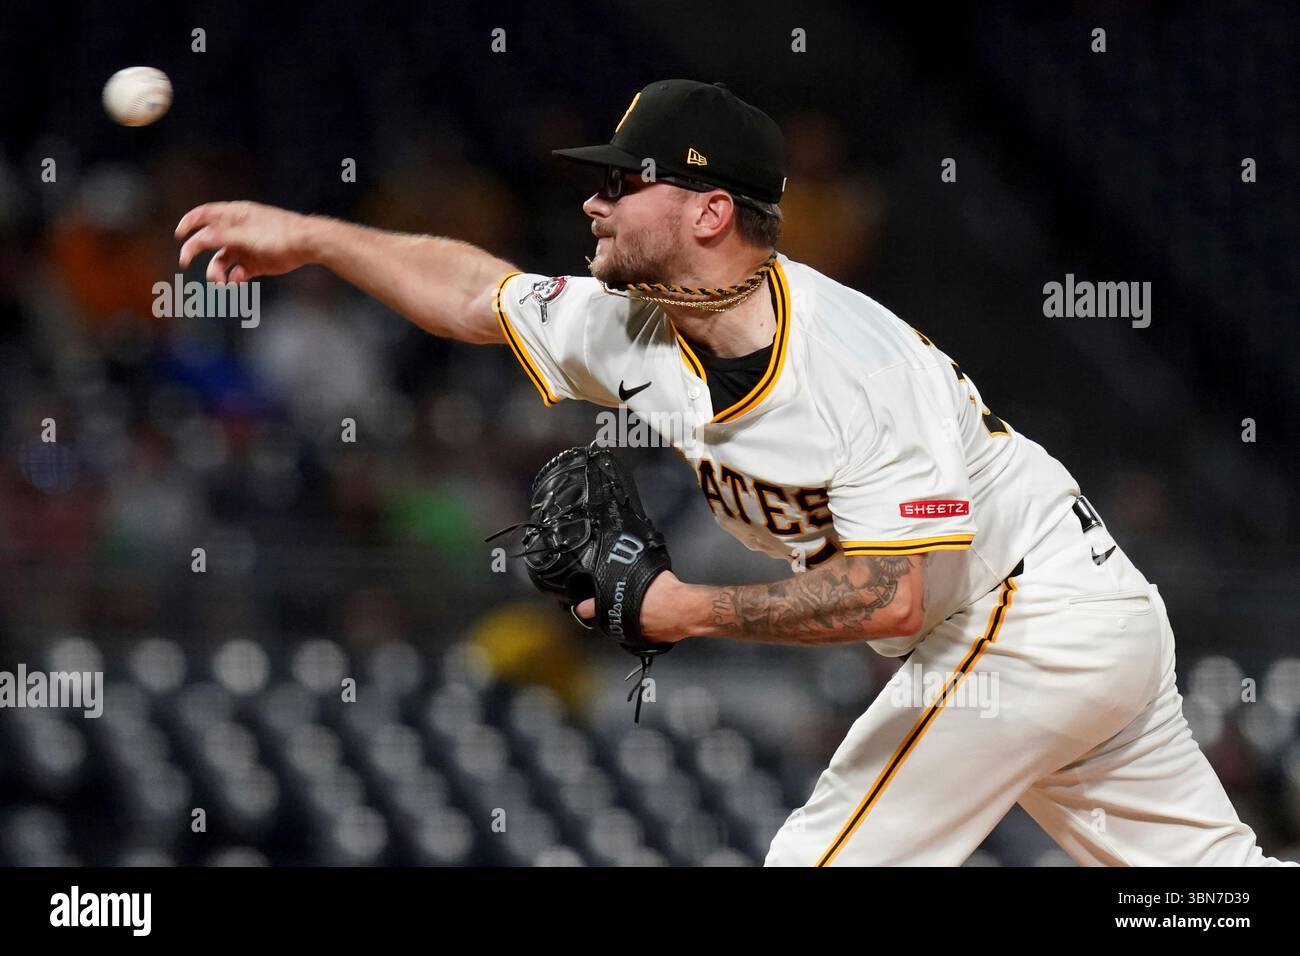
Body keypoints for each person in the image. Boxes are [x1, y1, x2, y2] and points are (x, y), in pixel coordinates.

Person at [175, 79, 1294, 867]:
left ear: (711, 210)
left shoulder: (854, 364)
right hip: (1053, 621)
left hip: (1028, 613)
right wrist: (316, 237)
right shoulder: (634, 323)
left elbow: (906, 591)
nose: (593, 200)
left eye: (624, 182)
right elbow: (476, 293)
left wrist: (682, 607)